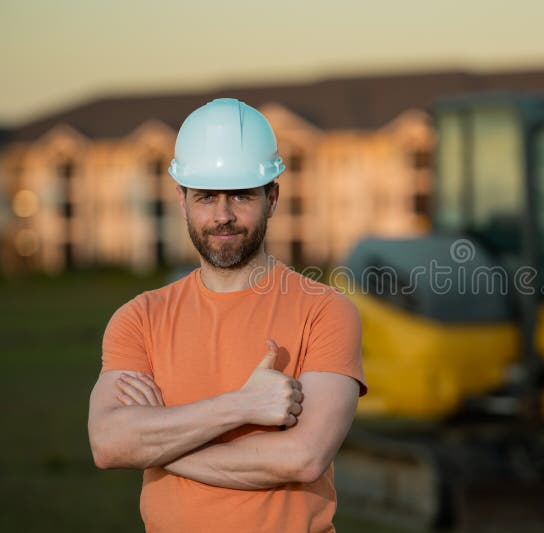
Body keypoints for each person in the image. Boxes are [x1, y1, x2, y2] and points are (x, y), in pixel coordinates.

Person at [87, 98, 366, 533]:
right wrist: (242, 406)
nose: (223, 215)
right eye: (206, 197)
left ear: (272, 197)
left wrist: (154, 443)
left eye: (240, 194)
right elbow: (107, 444)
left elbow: (303, 457)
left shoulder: (325, 312)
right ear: (182, 200)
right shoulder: (139, 318)